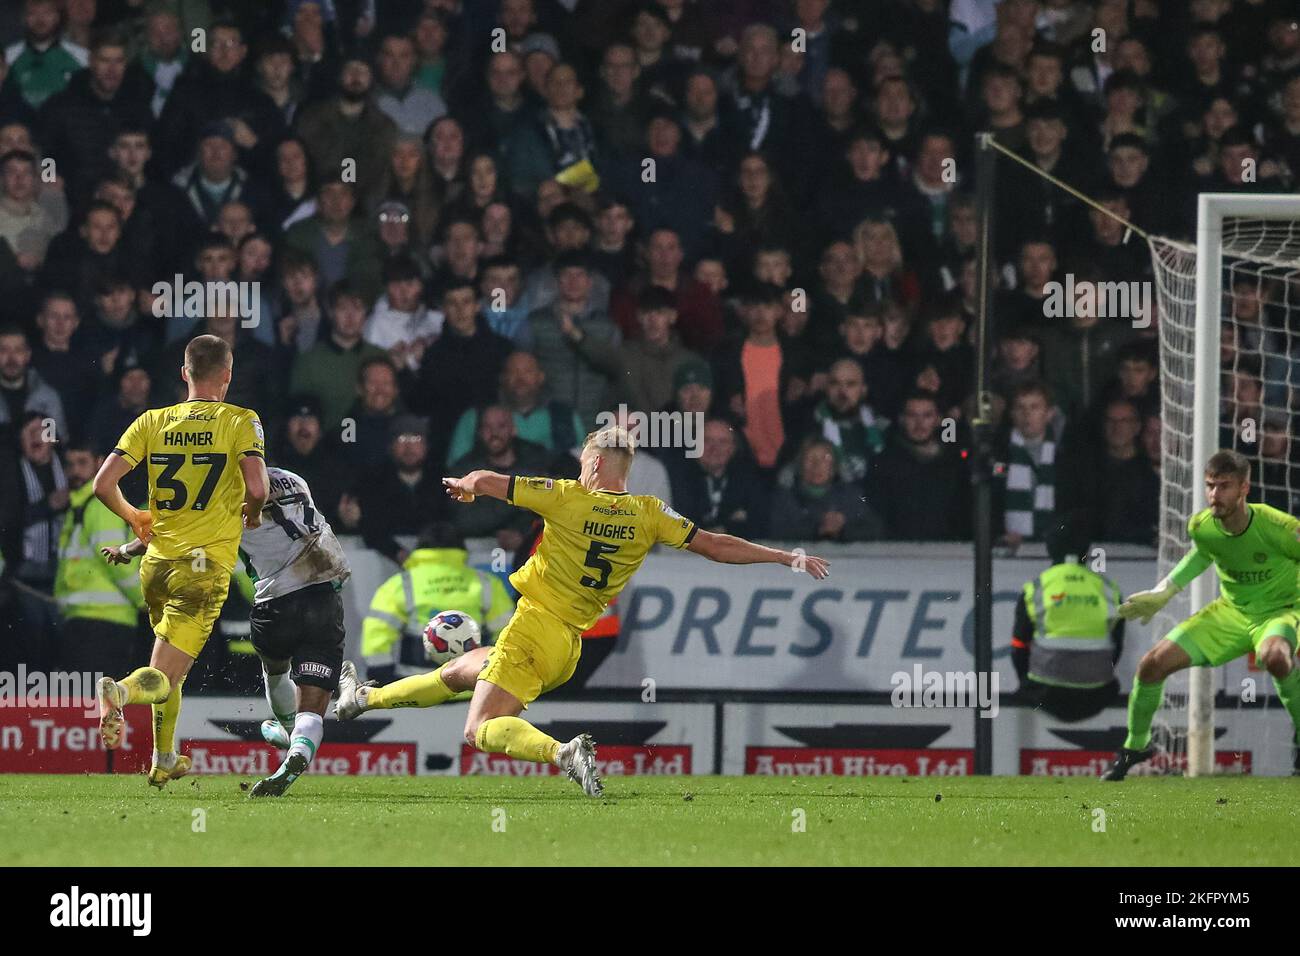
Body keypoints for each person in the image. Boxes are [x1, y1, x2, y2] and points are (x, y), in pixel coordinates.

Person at [337, 425, 831, 797]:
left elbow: (491, 480)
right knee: (463, 670)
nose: (578, 470)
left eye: (582, 462)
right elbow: (716, 545)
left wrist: (468, 484)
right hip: (568, 646)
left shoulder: (568, 498)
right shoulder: (650, 513)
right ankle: (363, 699)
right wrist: (785, 557)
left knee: (477, 730)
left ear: (594, 464)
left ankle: (563, 752)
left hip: (534, 626)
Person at [106, 464, 350, 798]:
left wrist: (125, 550)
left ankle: (288, 727)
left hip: (274, 604)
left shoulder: (223, 501)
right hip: (324, 594)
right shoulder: (295, 477)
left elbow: (168, 530)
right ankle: (297, 749)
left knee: (276, 669)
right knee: (315, 697)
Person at [91, 334, 269, 788]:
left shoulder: (152, 421)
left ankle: (164, 758)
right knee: (162, 676)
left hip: (156, 566)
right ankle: (121, 691)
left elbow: (102, 484)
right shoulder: (240, 421)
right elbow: (257, 487)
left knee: (171, 667)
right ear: (227, 375)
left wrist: (133, 517)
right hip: (202, 571)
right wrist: (253, 509)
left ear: (184, 373)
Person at [1106, 450, 1300, 780]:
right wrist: (1164, 591)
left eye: (1224, 486)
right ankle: (1136, 745)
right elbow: (1203, 555)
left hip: (1281, 610)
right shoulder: (1202, 526)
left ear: (1244, 488)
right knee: (1151, 665)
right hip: (1231, 613)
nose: (1214, 495)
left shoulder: (1277, 527)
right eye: (1210, 486)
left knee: (1274, 656)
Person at [354, 522, 514, 683]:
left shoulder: (401, 584)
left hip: (418, 687)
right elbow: (508, 632)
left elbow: (377, 631)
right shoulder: (486, 583)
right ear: (462, 550)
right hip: (472, 685)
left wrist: (381, 674)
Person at [1010, 514, 1124, 722]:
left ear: (1050, 549)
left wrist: (1024, 683)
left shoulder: (1036, 589)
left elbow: (1018, 646)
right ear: (1086, 551)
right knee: (1112, 684)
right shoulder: (1109, 590)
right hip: (1095, 694)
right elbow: (1117, 646)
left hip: (1044, 692)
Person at [54, 440, 145, 676]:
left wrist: (146, 602)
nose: (74, 471)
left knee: (94, 704)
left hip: (102, 625)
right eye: (69, 464)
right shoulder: (80, 507)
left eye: (82, 463)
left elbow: (118, 564)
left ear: (100, 463)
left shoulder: (99, 505)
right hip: (87, 622)